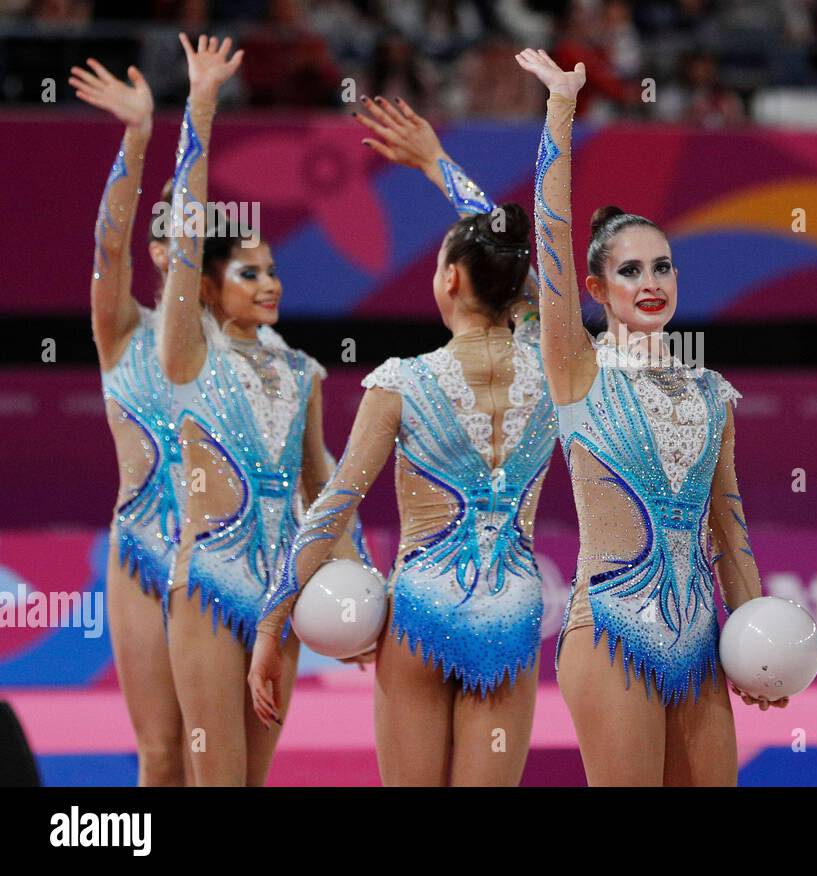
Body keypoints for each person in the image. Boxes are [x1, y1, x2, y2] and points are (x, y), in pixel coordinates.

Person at [250, 95, 557, 787]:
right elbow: (514, 260)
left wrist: (273, 626)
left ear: (449, 277)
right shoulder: (556, 370)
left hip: (420, 616)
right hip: (509, 622)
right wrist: (437, 165)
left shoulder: (401, 382)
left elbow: (331, 505)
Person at [515, 47, 784, 788]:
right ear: (596, 287)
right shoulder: (576, 367)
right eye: (630, 270)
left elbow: (731, 534)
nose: (652, 281)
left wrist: (761, 643)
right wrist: (561, 115)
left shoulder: (711, 393)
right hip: (609, 634)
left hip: (698, 645)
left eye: (663, 266)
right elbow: (550, 232)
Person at [156, 34, 359, 785]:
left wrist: (359, 579)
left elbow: (323, 484)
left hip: (283, 596)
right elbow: (185, 232)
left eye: (273, 270)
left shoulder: (302, 370)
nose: (269, 282)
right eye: (249, 272)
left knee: (252, 780)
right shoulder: (190, 354)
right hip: (208, 585)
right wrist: (201, 104)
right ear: (209, 287)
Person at [70, 56, 188, 786]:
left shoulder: (239, 353)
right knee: (161, 753)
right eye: (169, 233)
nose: (181, 247)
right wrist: (139, 137)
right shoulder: (122, 329)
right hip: (142, 552)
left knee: (214, 752)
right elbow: (105, 245)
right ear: (153, 249)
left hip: (225, 558)